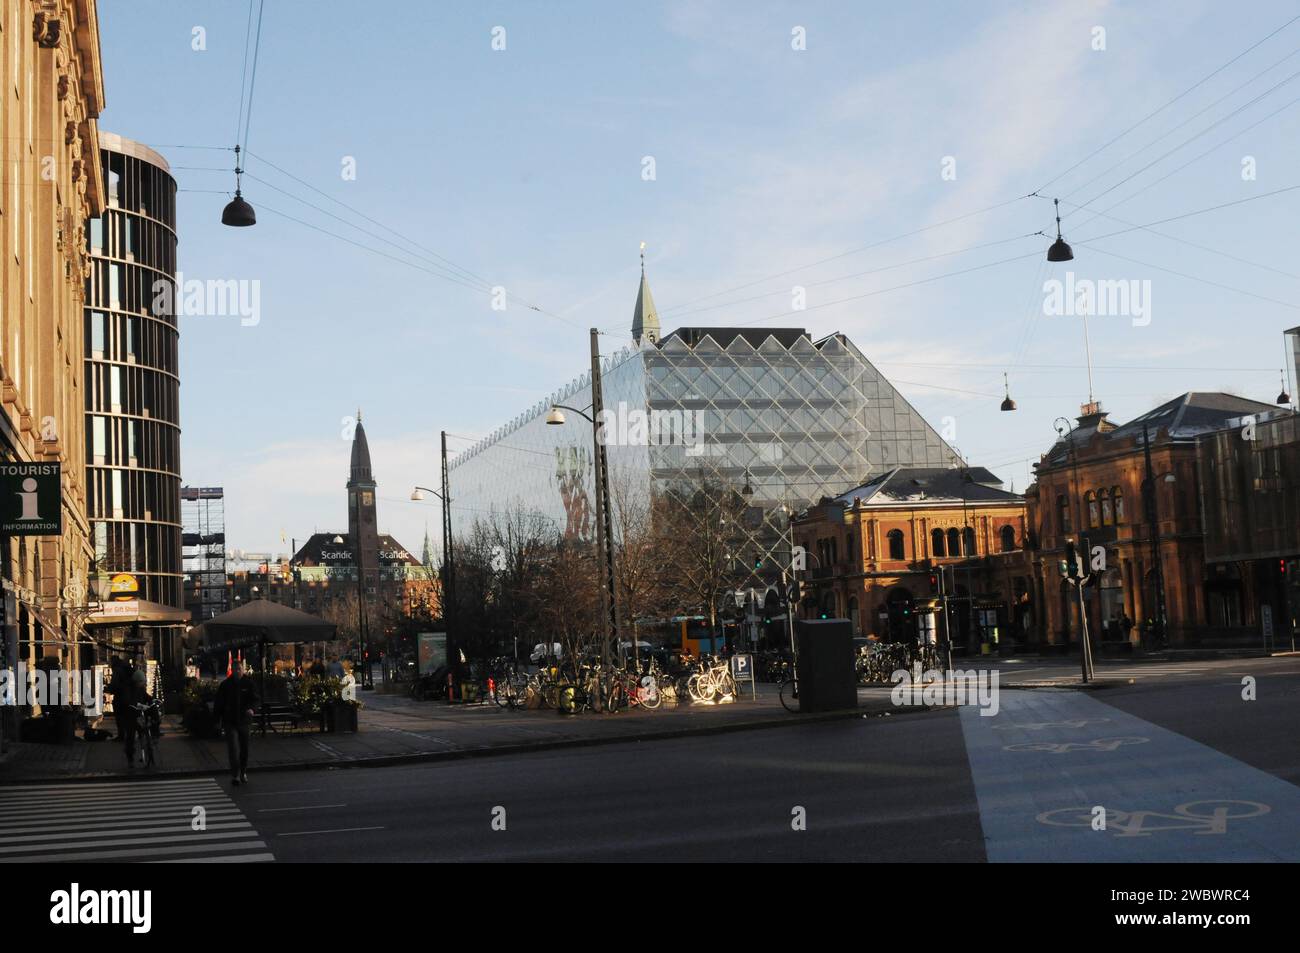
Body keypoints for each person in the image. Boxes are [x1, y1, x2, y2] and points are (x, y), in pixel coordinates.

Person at [215, 661, 258, 785]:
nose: (237, 671)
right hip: (230, 721)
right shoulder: (226, 685)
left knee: (244, 748)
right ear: (232, 670)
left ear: (243, 669)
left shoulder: (249, 683)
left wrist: (252, 709)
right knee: (233, 748)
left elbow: (255, 699)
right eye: (235, 669)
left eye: (239, 669)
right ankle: (235, 774)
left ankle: (243, 771)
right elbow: (219, 703)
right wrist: (217, 720)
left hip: (244, 721)